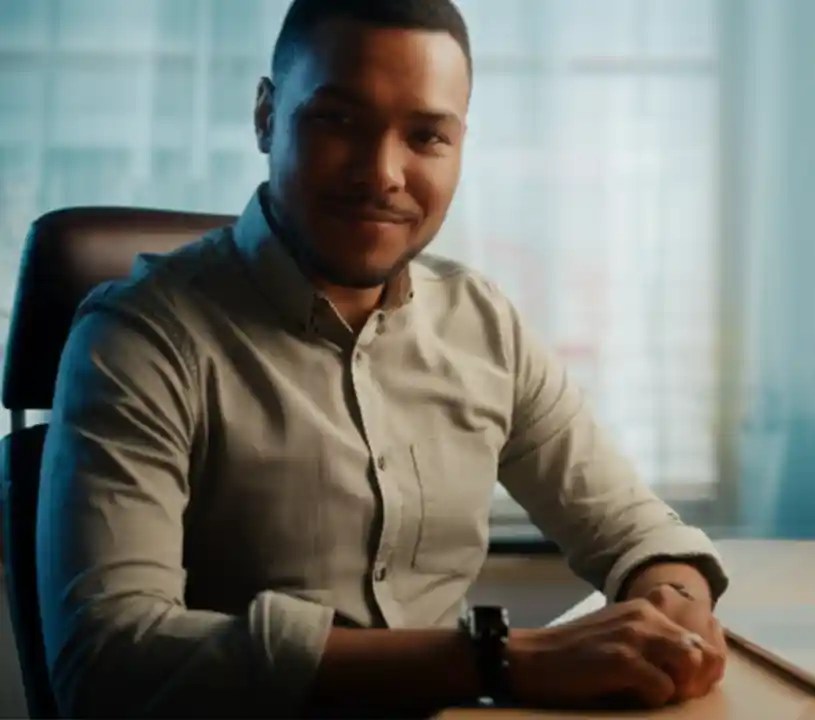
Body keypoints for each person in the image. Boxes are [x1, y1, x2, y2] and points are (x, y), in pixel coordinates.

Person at [35, 0, 729, 715]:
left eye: (426, 136)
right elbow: (108, 658)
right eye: (337, 120)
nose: (383, 173)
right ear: (266, 116)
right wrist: (494, 661)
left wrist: (670, 602)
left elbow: (635, 531)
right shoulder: (139, 337)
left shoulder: (481, 322)